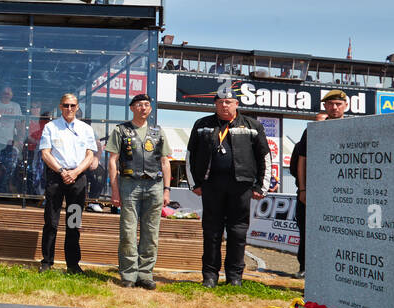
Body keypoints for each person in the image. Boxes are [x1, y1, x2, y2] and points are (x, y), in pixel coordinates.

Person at [187, 92, 270, 287]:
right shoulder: (202, 124)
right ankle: (209, 276)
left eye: (229, 102)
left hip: (241, 187)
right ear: (215, 104)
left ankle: (234, 277)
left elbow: (264, 156)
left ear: (236, 104)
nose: (225, 105)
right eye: (220, 102)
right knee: (211, 232)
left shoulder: (252, 125)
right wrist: (195, 184)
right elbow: (190, 154)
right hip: (211, 186)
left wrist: (261, 186)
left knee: (238, 232)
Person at [107, 93, 171, 289]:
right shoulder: (121, 130)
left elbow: (165, 161)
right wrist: (115, 190)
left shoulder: (158, 132)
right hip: (129, 184)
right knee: (128, 231)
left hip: (154, 185)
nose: (144, 108)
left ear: (150, 109)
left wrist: (167, 190)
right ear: (132, 108)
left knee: (151, 232)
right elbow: (112, 161)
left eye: (147, 105)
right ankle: (128, 274)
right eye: (139, 105)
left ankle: (145, 274)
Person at [290, 89, 347, 278]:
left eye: (338, 104)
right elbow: (302, 160)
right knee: (307, 230)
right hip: (314, 190)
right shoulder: (313, 129)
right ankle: (305, 266)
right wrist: (303, 188)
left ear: (346, 106)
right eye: (330, 104)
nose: (334, 107)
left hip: (342, 192)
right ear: (325, 106)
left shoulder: (355, 126)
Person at [38, 93, 96, 274]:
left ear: (77, 107)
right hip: (56, 177)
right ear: (60, 107)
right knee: (51, 221)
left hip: (78, 179)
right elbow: (45, 154)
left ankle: (73, 264)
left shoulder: (86, 129)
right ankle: (47, 262)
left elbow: (90, 155)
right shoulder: (50, 127)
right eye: (65, 105)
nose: (69, 109)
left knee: (73, 221)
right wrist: (63, 172)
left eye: (72, 105)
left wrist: (76, 172)